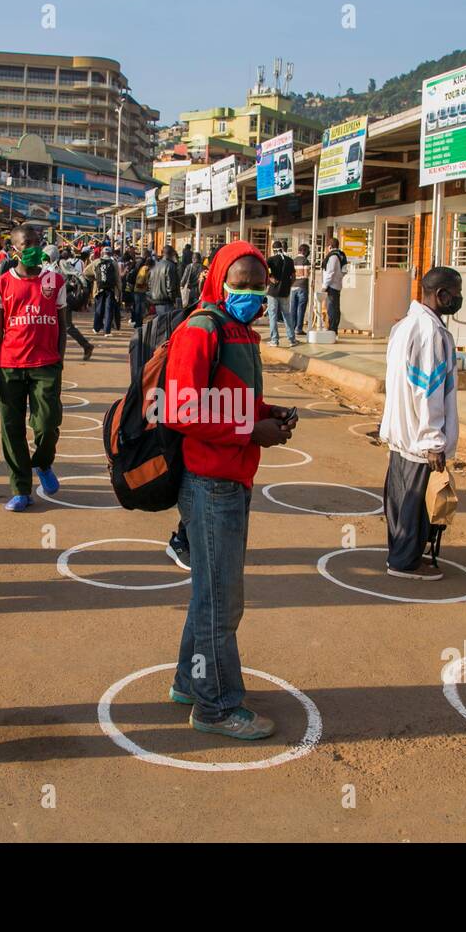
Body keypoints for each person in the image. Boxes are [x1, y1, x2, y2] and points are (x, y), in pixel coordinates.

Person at [163, 241, 298, 739]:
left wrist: (267, 413)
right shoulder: (201, 330)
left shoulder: (239, 331)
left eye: (259, 285)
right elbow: (179, 410)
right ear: (220, 281)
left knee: (210, 593)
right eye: (241, 284)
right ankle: (216, 706)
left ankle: (189, 681)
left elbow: (232, 398)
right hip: (210, 482)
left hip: (233, 477)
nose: (252, 292)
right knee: (222, 601)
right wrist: (249, 431)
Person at [380, 267, 462, 579]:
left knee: (401, 499)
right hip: (419, 436)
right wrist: (433, 440)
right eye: (456, 293)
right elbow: (429, 391)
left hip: (402, 430)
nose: (459, 299)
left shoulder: (405, 325)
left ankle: (401, 554)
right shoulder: (431, 334)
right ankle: (405, 561)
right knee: (415, 504)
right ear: (441, 295)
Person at [0, 224, 68, 512]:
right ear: (14, 249)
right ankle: (21, 489)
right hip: (10, 365)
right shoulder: (2, 284)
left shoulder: (55, 281)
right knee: (11, 428)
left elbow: (63, 326)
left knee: (47, 422)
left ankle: (42, 462)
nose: (33, 247)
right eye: (26, 243)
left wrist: (59, 360)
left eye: (36, 242)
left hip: (46, 364)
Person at [265, 239, 298, 347]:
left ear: (273, 249)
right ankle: (292, 339)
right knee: (287, 315)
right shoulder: (289, 260)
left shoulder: (270, 260)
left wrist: (270, 278)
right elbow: (294, 277)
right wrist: (288, 285)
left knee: (273, 316)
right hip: (285, 292)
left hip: (273, 292)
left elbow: (265, 271)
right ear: (283, 249)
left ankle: (274, 340)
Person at [88, 246, 121, 335]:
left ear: (102, 253)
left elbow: (85, 272)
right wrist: (119, 290)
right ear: (111, 254)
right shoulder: (114, 263)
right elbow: (117, 278)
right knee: (108, 310)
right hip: (111, 289)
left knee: (98, 309)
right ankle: (107, 331)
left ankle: (96, 328)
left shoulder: (96, 262)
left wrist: (95, 279)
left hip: (98, 289)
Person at [321, 236, 346, 333]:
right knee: (335, 307)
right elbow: (344, 270)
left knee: (331, 308)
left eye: (327, 246)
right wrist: (339, 277)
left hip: (331, 285)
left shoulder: (333, 256)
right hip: (337, 285)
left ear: (330, 246)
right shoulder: (341, 255)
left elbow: (330, 272)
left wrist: (324, 286)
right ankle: (334, 329)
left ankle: (332, 329)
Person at [148, 245, 181, 313]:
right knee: (167, 319)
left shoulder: (155, 265)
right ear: (172, 254)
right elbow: (171, 286)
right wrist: (174, 300)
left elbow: (150, 283)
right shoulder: (170, 266)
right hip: (166, 302)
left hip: (156, 300)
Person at [290, 242, 311, 339]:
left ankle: (292, 327)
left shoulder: (293, 261)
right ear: (305, 251)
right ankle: (298, 329)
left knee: (293, 308)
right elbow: (306, 274)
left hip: (293, 287)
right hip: (302, 286)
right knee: (301, 309)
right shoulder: (305, 261)